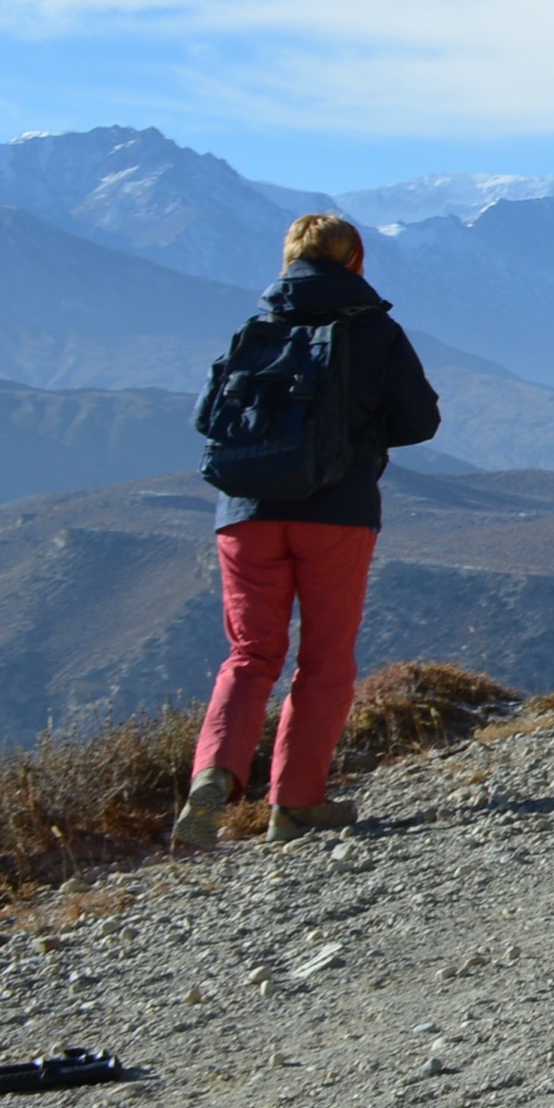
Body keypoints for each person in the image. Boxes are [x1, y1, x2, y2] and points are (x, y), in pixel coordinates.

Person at [172, 213, 443, 847]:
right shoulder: (375, 331)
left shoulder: (254, 328)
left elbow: (204, 416)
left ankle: (213, 774)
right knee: (324, 658)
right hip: (336, 515)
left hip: (244, 513)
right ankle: (295, 803)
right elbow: (418, 421)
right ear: (355, 260)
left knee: (249, 654)